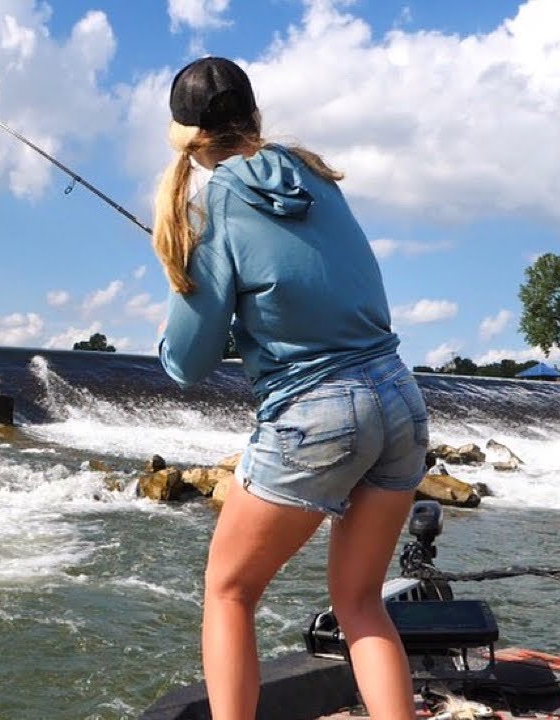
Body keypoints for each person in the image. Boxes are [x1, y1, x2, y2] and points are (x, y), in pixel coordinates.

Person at [153, 57, 429, 720]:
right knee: (361, 601)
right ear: (253, 116)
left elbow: (187, 364)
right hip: (399, 398)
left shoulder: (210, 206)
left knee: (228, 592)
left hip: (319, 412)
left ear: (184, 136)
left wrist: (184, 313)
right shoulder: (315, 175)